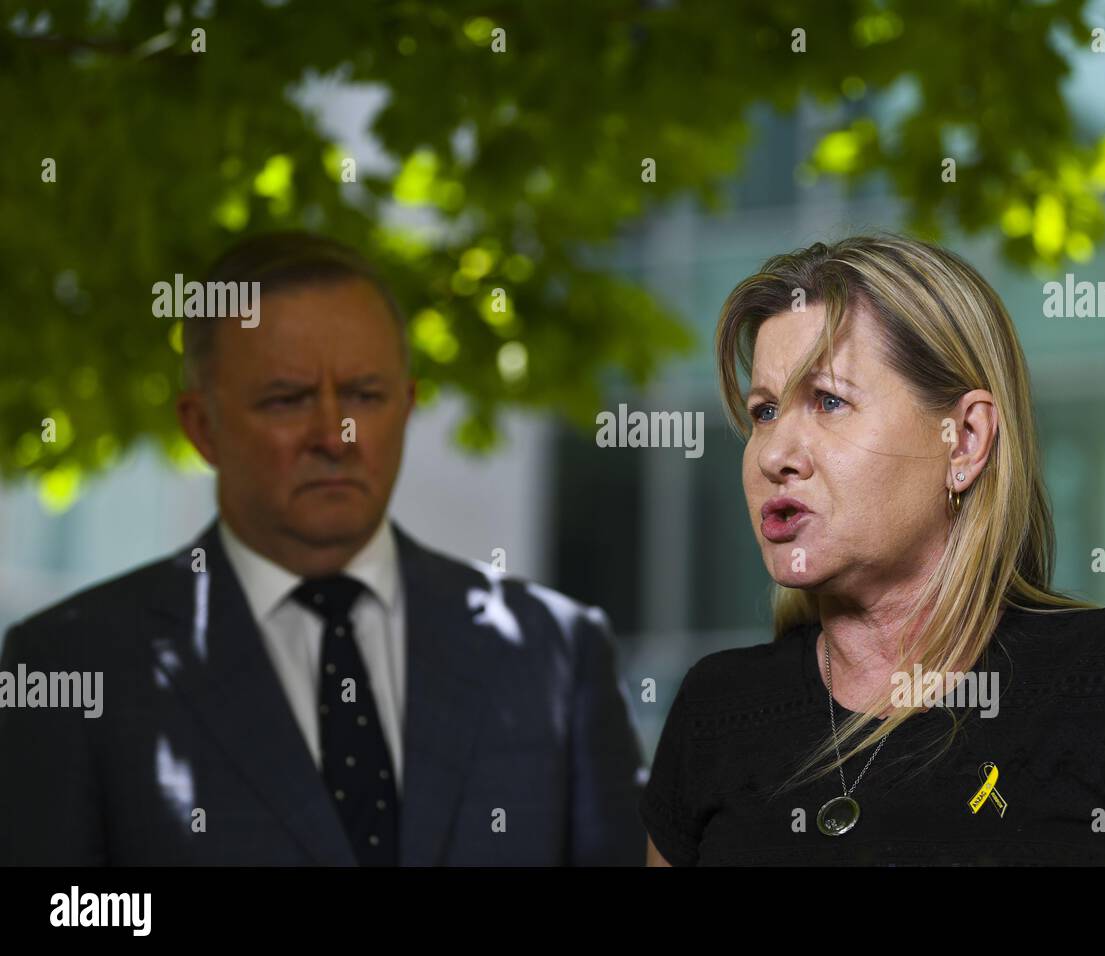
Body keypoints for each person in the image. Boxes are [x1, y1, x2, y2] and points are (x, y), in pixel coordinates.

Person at [0, 231, 645, 866]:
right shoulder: (73, 665)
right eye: (288, 399)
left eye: (365, 396)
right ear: (202, 427)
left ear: (409, 405)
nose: (335, 436)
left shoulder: (557, 651)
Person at [639, 232, 1105, 866]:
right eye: (765, 412)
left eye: (829, 401)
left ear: (966, 440)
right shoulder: (716, 711)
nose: (774, 455)